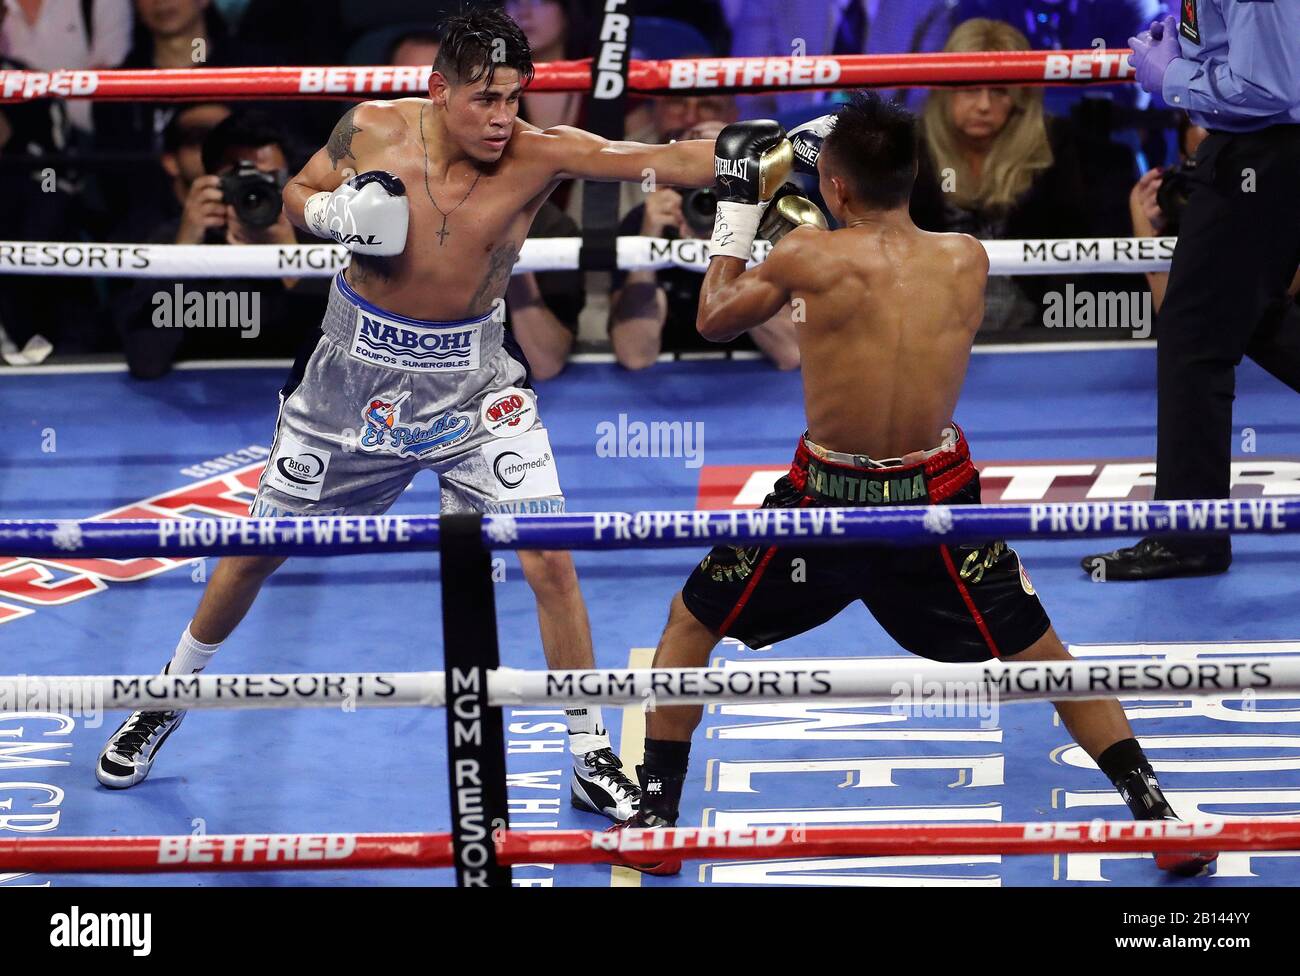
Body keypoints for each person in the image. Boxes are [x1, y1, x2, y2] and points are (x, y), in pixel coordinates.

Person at [95, 7, 717, 823]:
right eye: (485, 99)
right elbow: (296, 192)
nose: (503, 117)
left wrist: (781, 153)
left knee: (550, 560)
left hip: (476, 390)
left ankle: (587, 748)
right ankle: (166, 698)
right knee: (252, 554)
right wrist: (331, 217)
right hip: (349, 387)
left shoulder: (538, 155)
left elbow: (663, 160)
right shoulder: (373, 129)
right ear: (438, 89)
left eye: (514, 97)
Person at [610, 92, 1216, 879]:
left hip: (823, 504)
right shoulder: (966, 256)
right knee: (1052, 660)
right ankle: (1157, 813)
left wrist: (738, 210)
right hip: (937, 501)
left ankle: (657, 818)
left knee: (689, 628)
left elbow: (716, 316)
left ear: (834, 187)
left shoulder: (808, 258)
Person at [1084, 5, 1300, 580]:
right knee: (1245, 316)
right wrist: (1187, 42)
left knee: (1195, 335)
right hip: (1258, 150)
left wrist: (1169, 76)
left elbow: (1270, 85)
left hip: (1266, 151)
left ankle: (1189, 535)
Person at [910, 18, 1089, 335]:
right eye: (969, 88)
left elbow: (1073, 257)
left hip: (1033, 330)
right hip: (927, 330)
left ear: (1020, 97)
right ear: (944, 90)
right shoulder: (912, 147)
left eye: (999, 91)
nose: (983, 105)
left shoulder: (1053, 146)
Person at [610, 120, 800, 369]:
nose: (709, 195)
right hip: (665, 382)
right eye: (699, 173)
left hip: (754, 381)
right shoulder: (649, 220)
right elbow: (634, 355)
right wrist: (649, 246)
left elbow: (791, 351)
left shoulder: (776, 219)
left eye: (725, 180)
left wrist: (733, 237)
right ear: (674, 177)